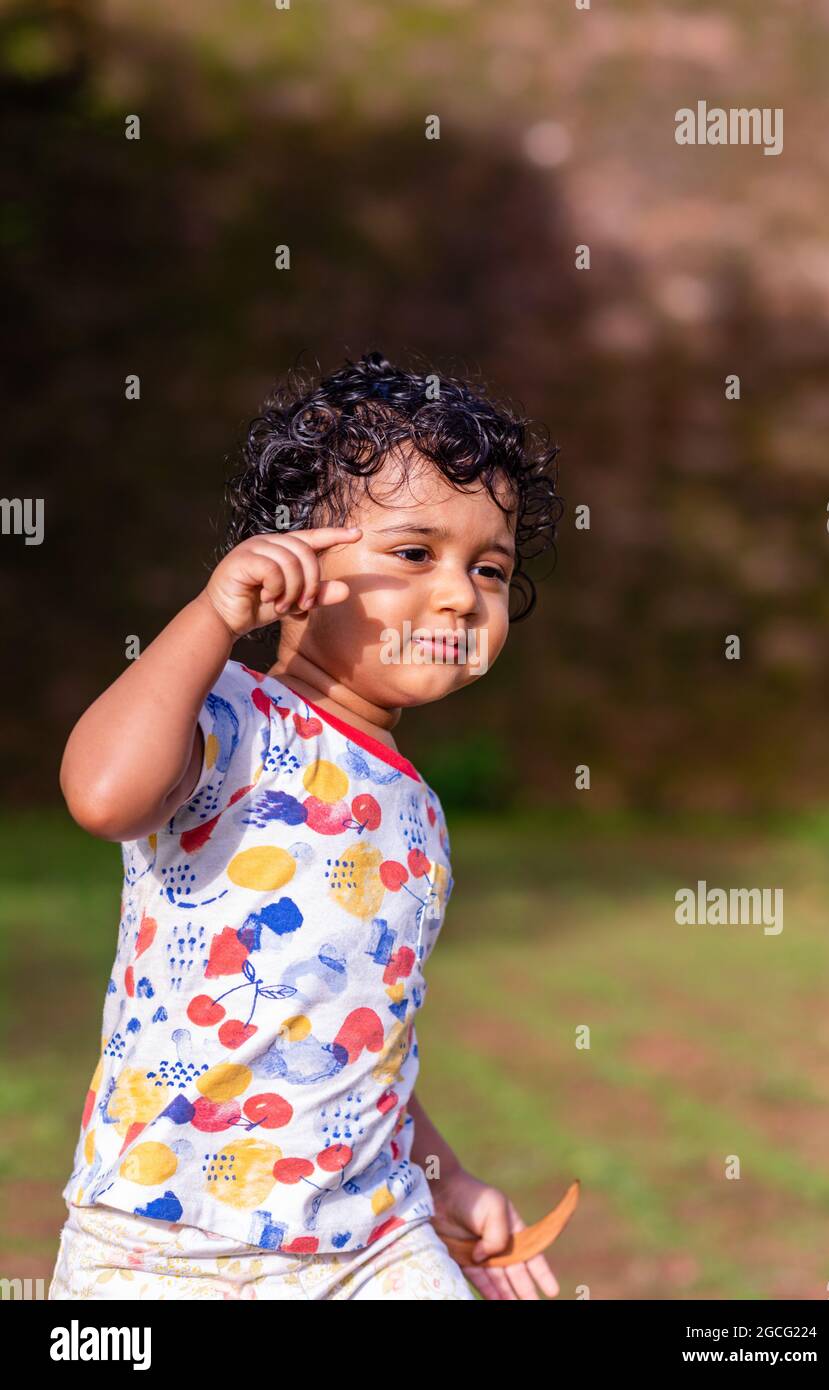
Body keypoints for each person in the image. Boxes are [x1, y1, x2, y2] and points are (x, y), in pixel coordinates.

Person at [48, 350, 565, 1300]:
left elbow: (356, 1046)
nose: (459, 593)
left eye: (488, 568)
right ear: (292, 558)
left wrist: (448, 1181)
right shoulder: (231, 716)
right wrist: (211, 615)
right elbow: (105, 794)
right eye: (415, 553)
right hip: (168, 1243)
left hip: (370, 1239)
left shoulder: (418, 808)